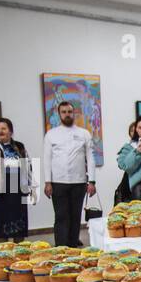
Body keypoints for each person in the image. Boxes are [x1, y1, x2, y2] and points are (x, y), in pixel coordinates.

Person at [42, 100, 97, 247]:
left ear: (74, 113)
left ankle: (73, 245)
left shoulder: (84, 133)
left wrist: (92, 181)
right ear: (59, 114)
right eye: (64, 112)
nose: (67, 114)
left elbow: (91, 159)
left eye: (69, 112)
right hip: (58, 182)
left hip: (78, 182)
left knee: (75, 216)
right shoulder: (51, 134)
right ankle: (61, 247)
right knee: (61, 216)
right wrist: (47, 182)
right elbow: (47, 159)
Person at [0, 117, 33, 242]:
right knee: (1, 229)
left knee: (19, 228)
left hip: (18, 190)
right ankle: (3, 256)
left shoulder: (20, 147)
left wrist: (31, 187)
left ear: (11, 131)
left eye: (3, 128)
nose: (0, 131)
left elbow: (28, 166)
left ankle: (20, 257)